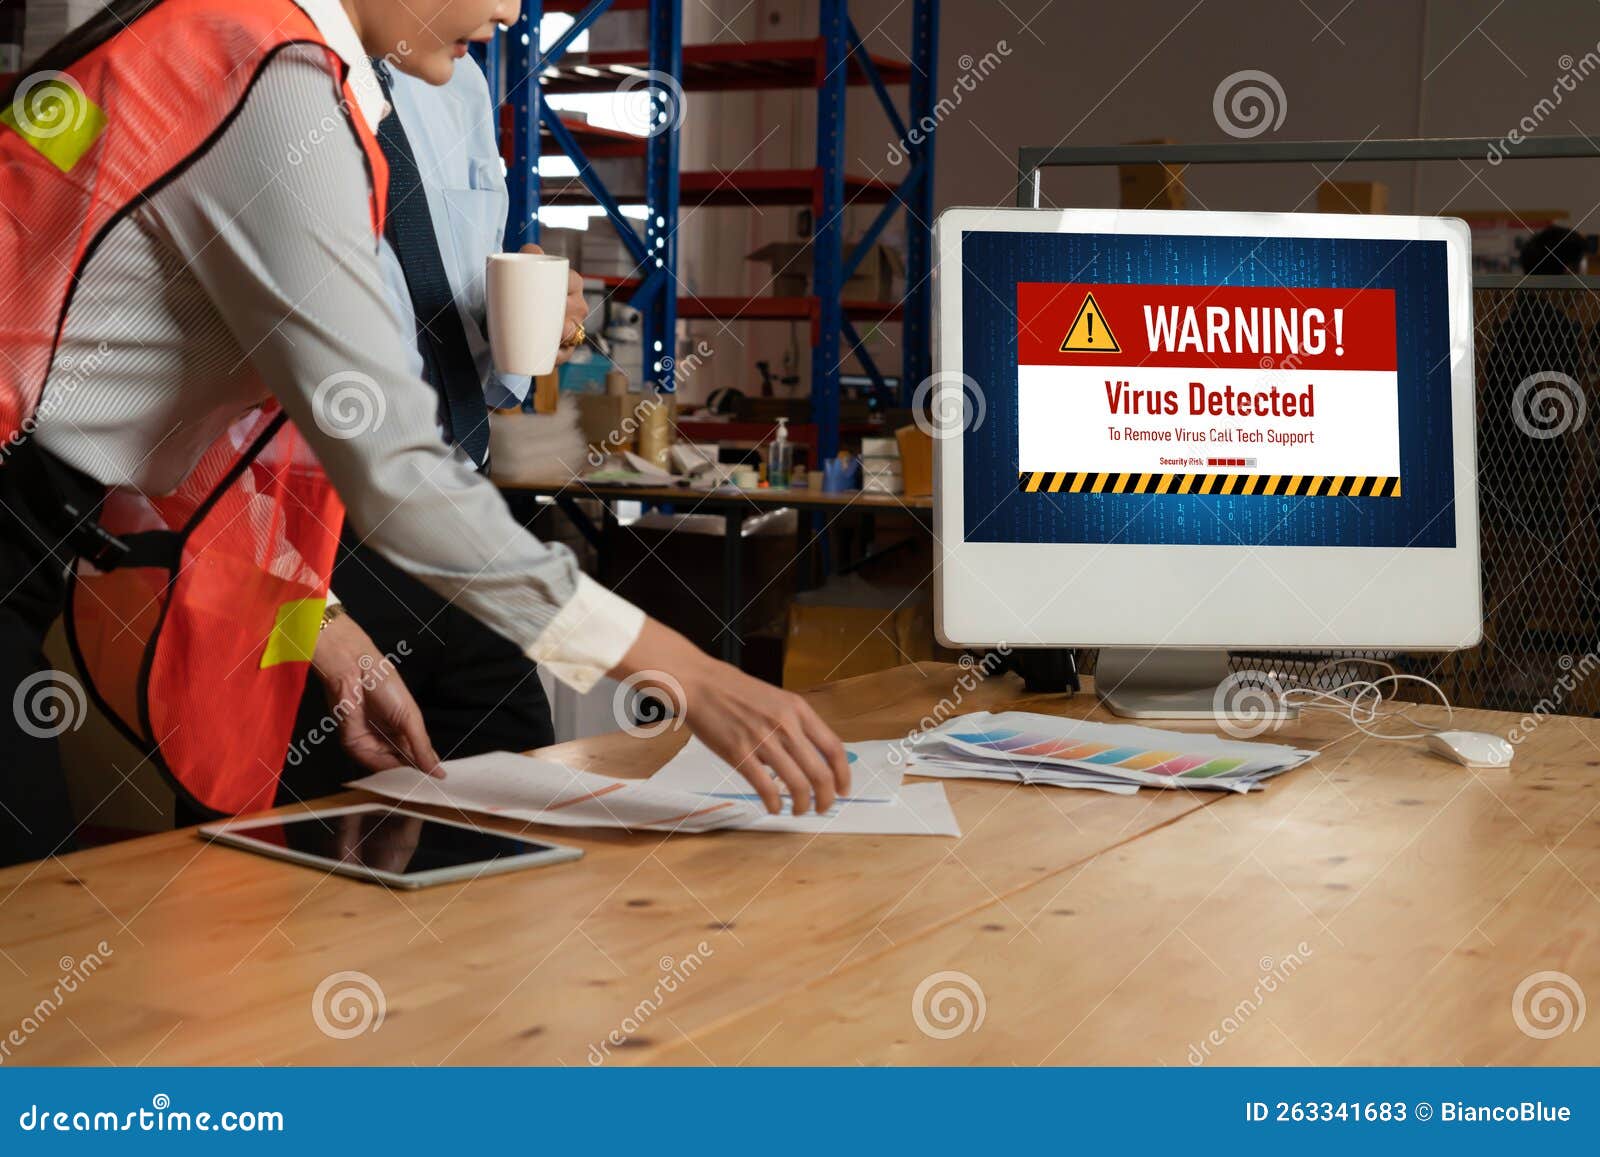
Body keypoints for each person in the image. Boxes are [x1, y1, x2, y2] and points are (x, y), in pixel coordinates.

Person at [0, 0, 848, 869]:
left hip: (45, 538)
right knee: (36, 914)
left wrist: (317, 618)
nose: (513, 9)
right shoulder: (274, 85)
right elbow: (395, 470)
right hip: (28, 525)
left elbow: (197, 421)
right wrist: (683, 669)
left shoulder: (258, 52)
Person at [277, 49, 588, 808]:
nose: (515, 15)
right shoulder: (273, 82)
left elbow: (461, 327)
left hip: (452, 512)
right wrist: (304, 609)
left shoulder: (462, 82)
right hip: (301, 534)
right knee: (305, 855)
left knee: (523, 823)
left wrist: (535, 322)